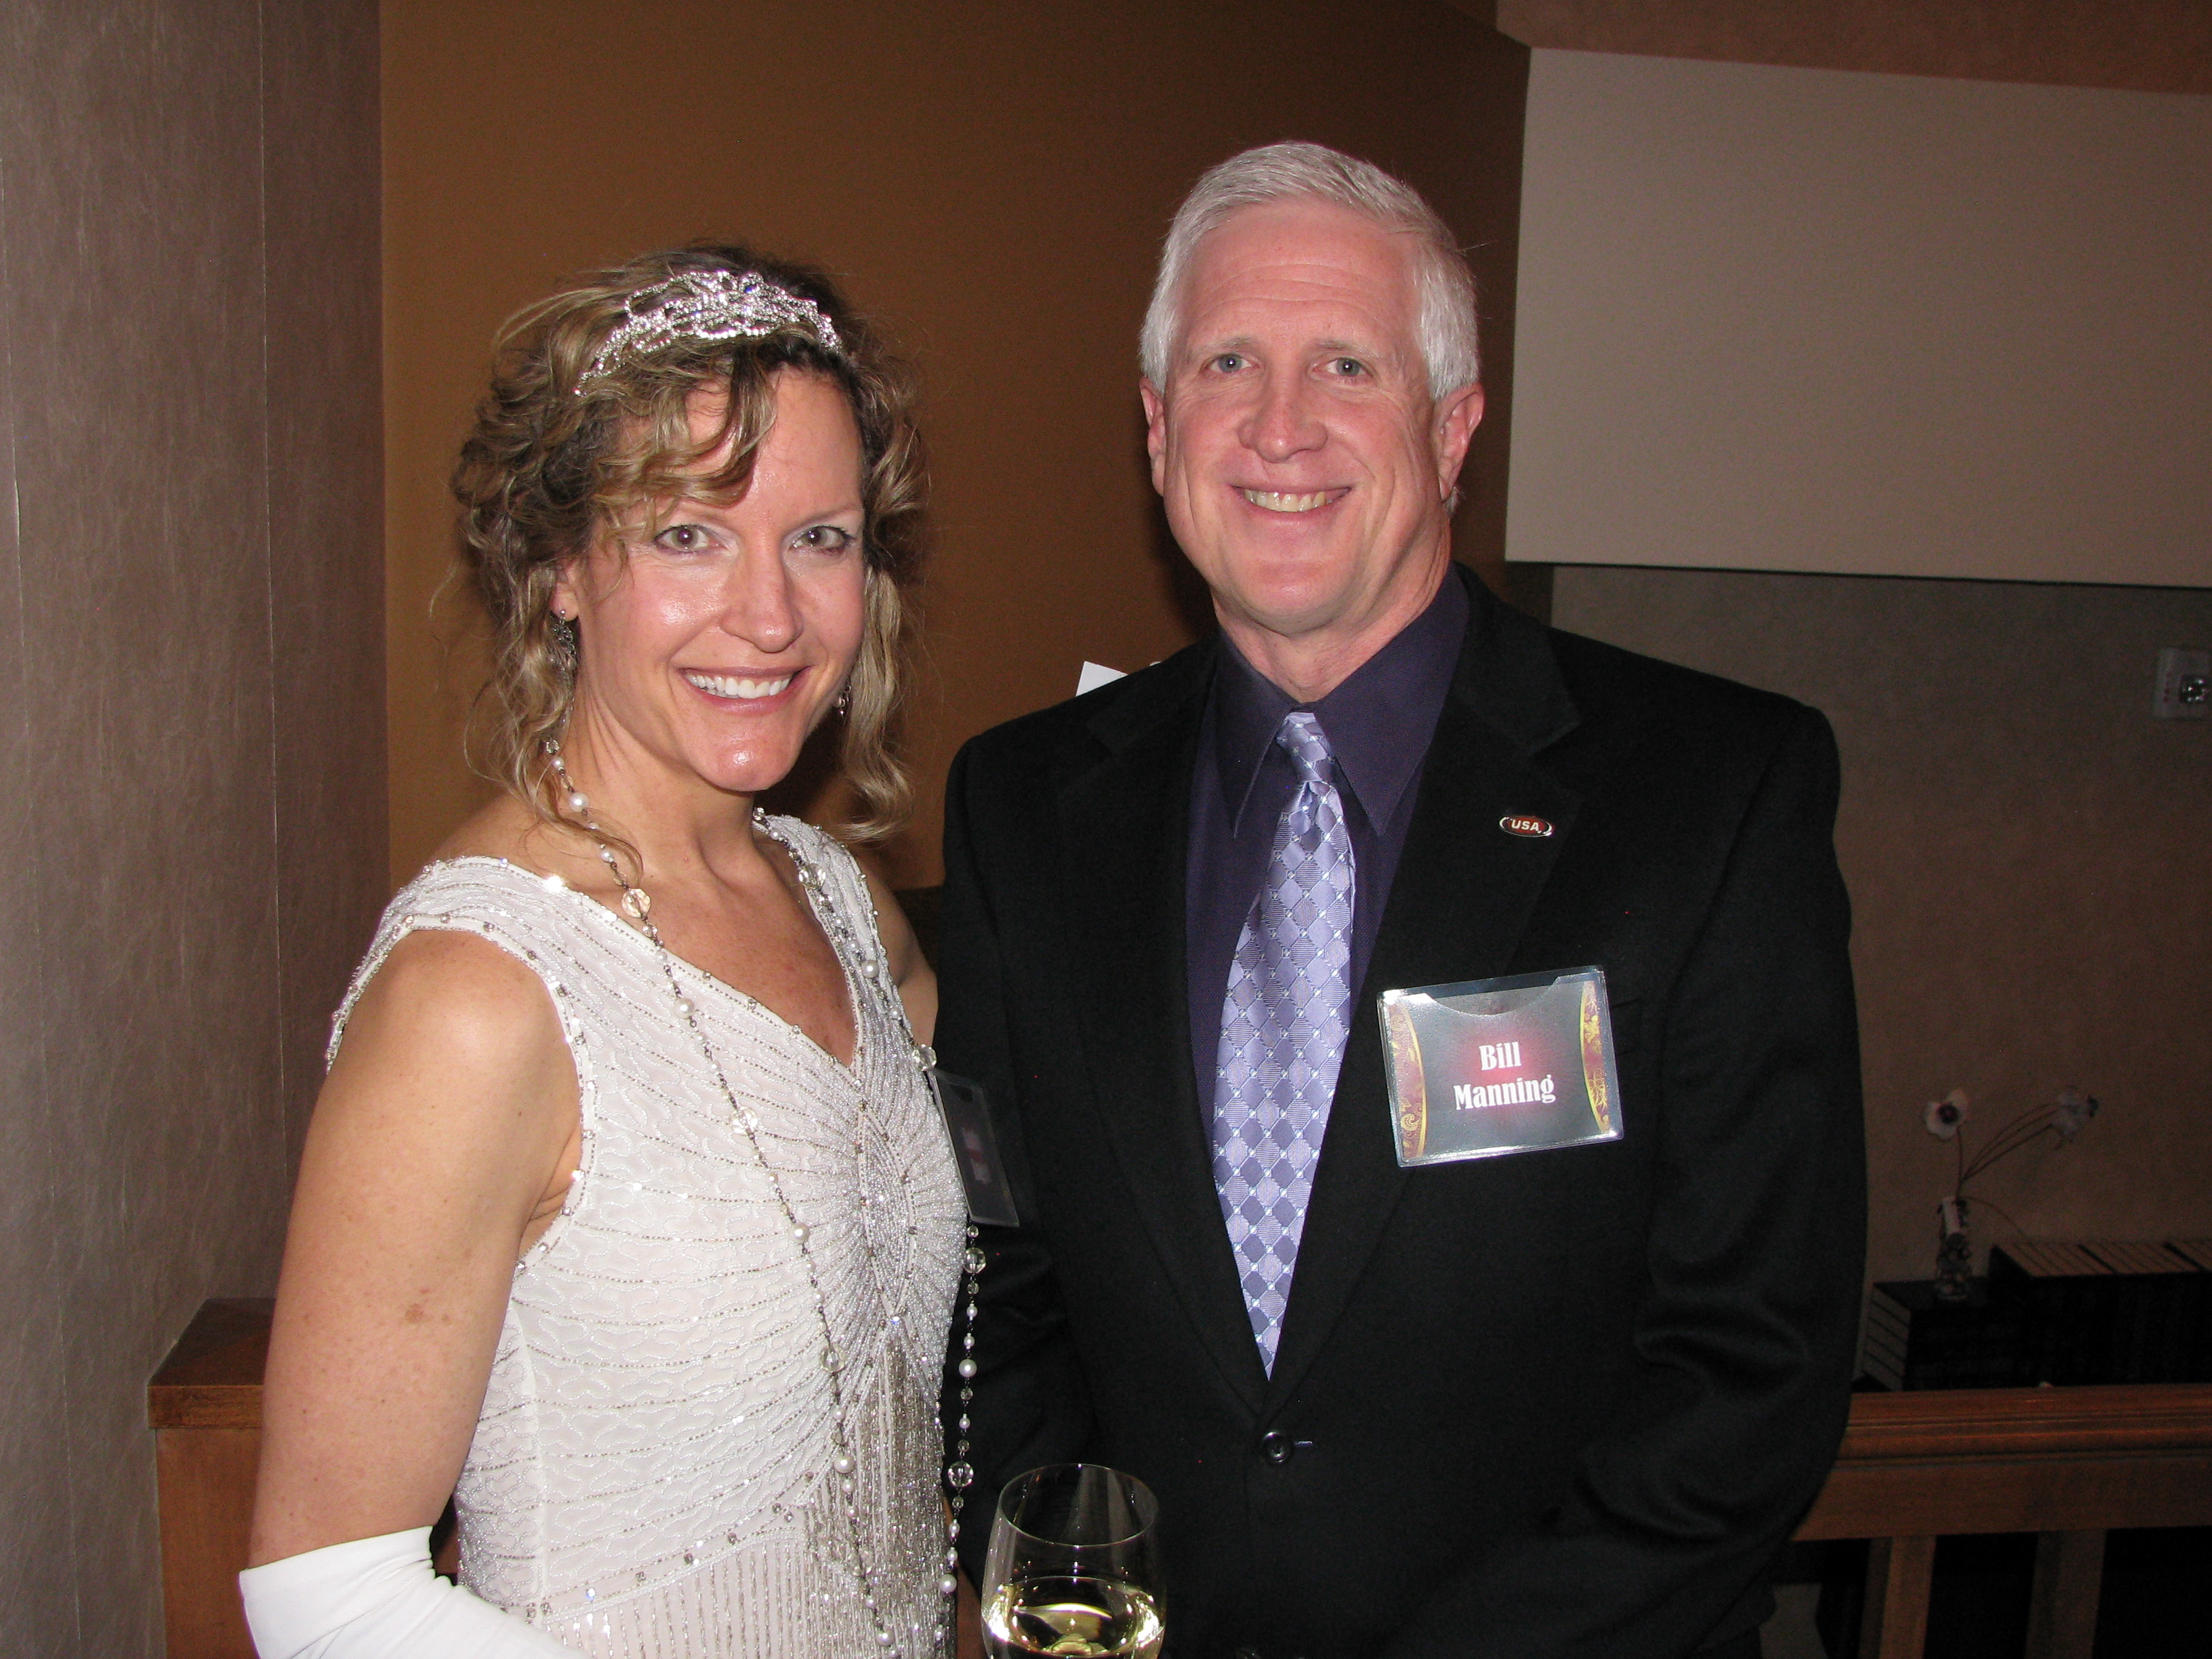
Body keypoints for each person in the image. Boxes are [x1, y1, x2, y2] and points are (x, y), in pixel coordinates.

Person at [935, 143, 1865, 1659]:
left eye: (1348, 366)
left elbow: (1751, 1364)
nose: (1279, 425)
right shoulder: (1024, 805)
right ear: (1160, 428)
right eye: (1228, 361)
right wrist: (1069, 1588)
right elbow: (1001, 1283)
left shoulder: (1711, 792)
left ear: (1452, 430)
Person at [243, 247, 966, 1659]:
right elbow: (325, 1602)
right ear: (563, 566)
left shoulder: (847, 906)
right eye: (689, 534)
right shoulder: (476, 996)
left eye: (820, 538)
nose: (771, 615)